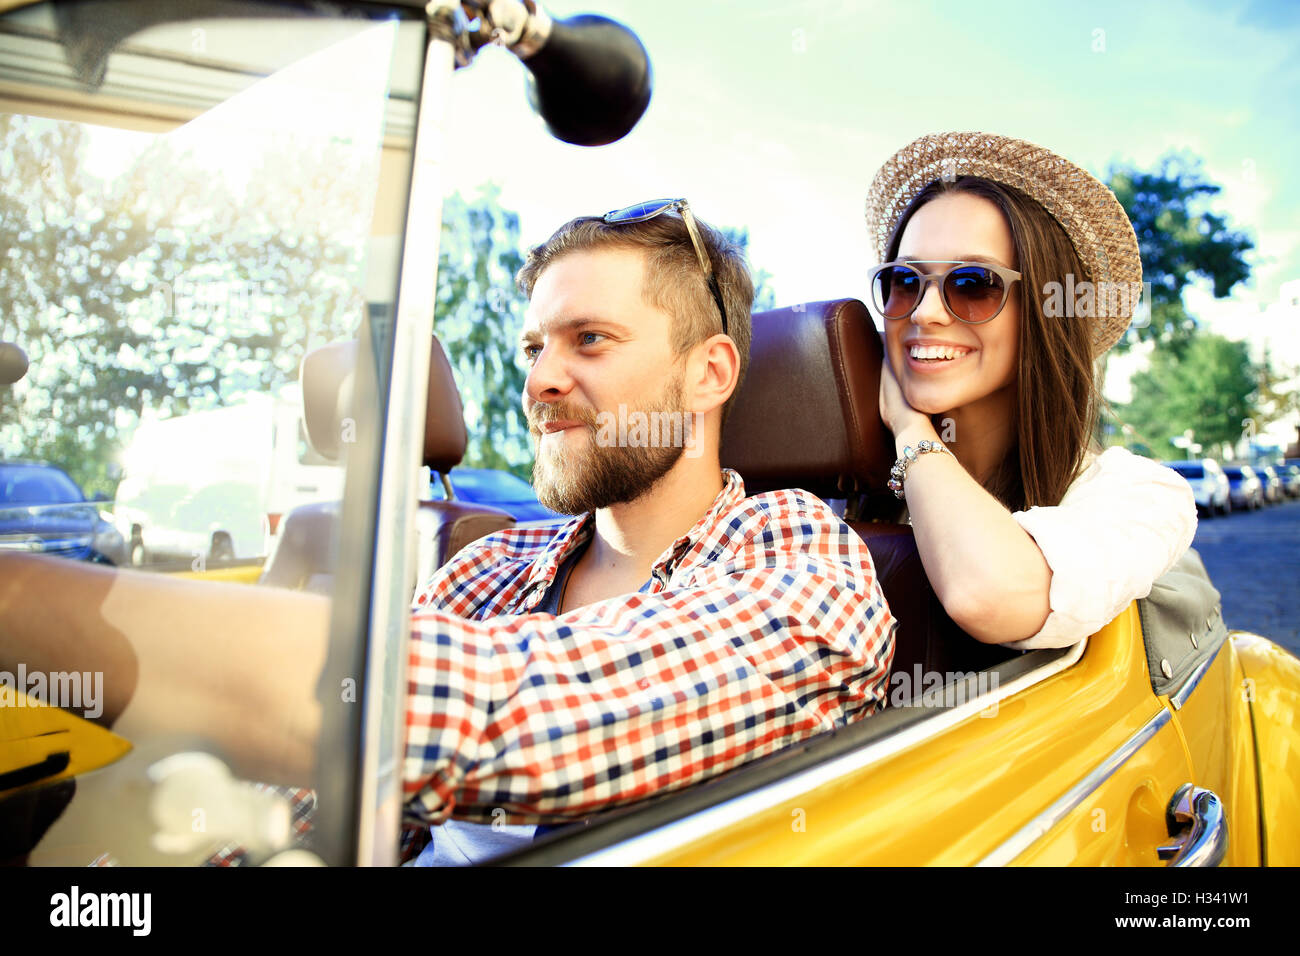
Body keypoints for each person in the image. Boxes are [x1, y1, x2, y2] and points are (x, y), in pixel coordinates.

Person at [0, 200, 895, 866]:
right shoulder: (489, 572)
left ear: (709, 374)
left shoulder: (803, 556)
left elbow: (508, 709)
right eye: (532, 348)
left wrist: (17, 596)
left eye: (590, 339)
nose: (542, 378)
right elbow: (327, 806)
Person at [865, 132, 1197, 649]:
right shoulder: (841, 490)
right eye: (905, 281)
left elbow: (991, 596)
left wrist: (911, 430)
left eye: (973, 283)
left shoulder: (1139, 495)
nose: (925, 312)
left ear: (1046, 316)